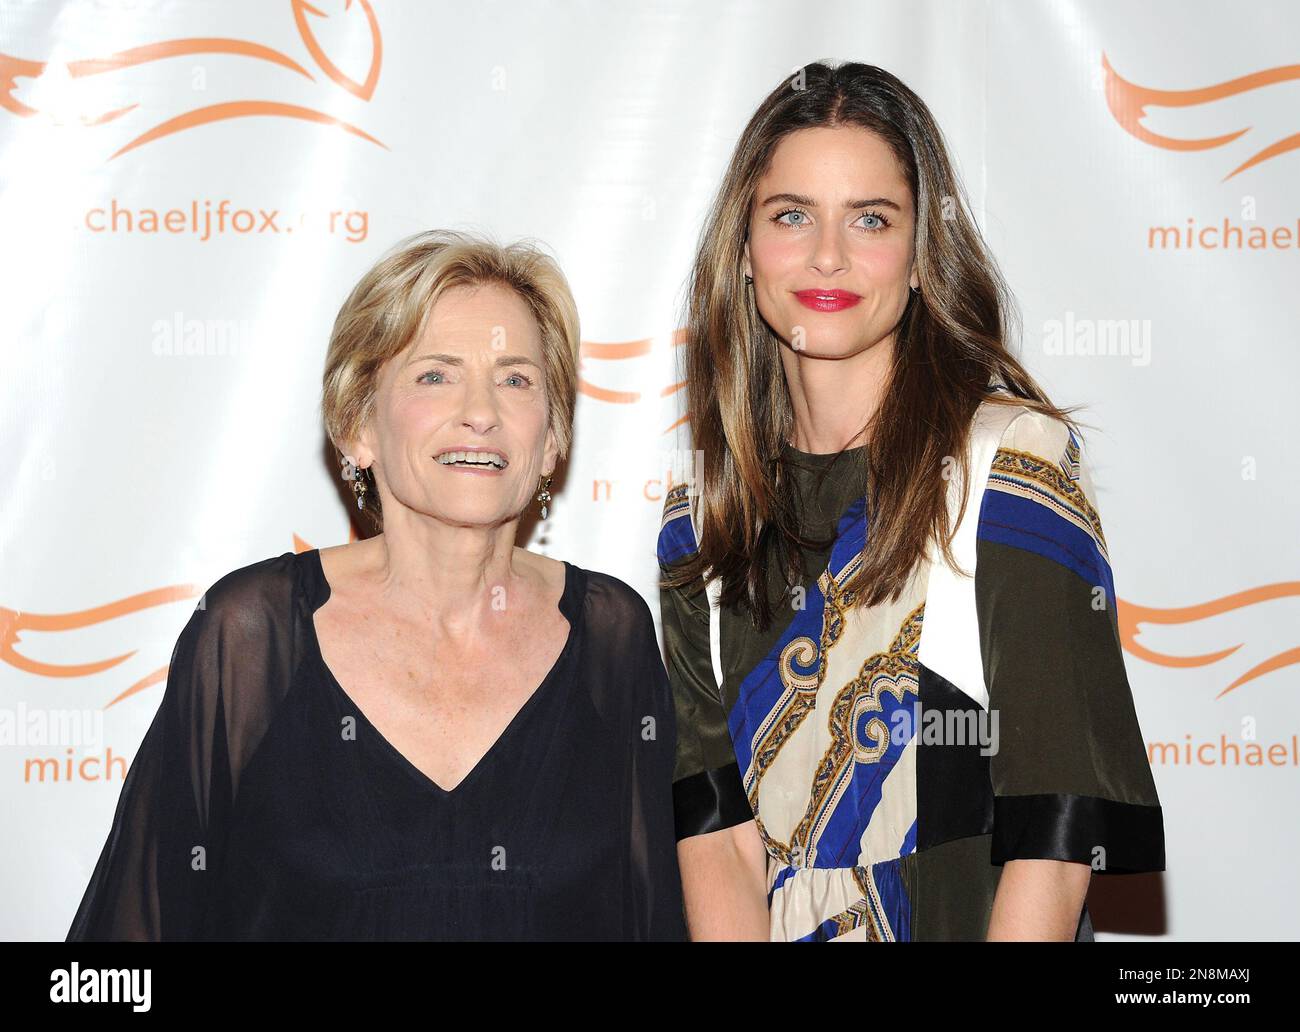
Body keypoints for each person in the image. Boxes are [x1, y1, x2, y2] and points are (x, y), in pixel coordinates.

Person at [658, 62, 1165, 942]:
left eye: (870, 219)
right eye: (790, 216)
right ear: (742, 252)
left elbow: (1054, 835)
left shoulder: (1006, 467)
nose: (828, 255)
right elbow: (719, 841)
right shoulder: (703, 510)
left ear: (923, 254)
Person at [68, 229, 686, 941]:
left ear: (550, 441)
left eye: (516, 378)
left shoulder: (612, 637)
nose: (480, 411)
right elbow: (130, 945)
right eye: (435, 375)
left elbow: (652, 922)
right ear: (357, 424)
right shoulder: (251, 637)